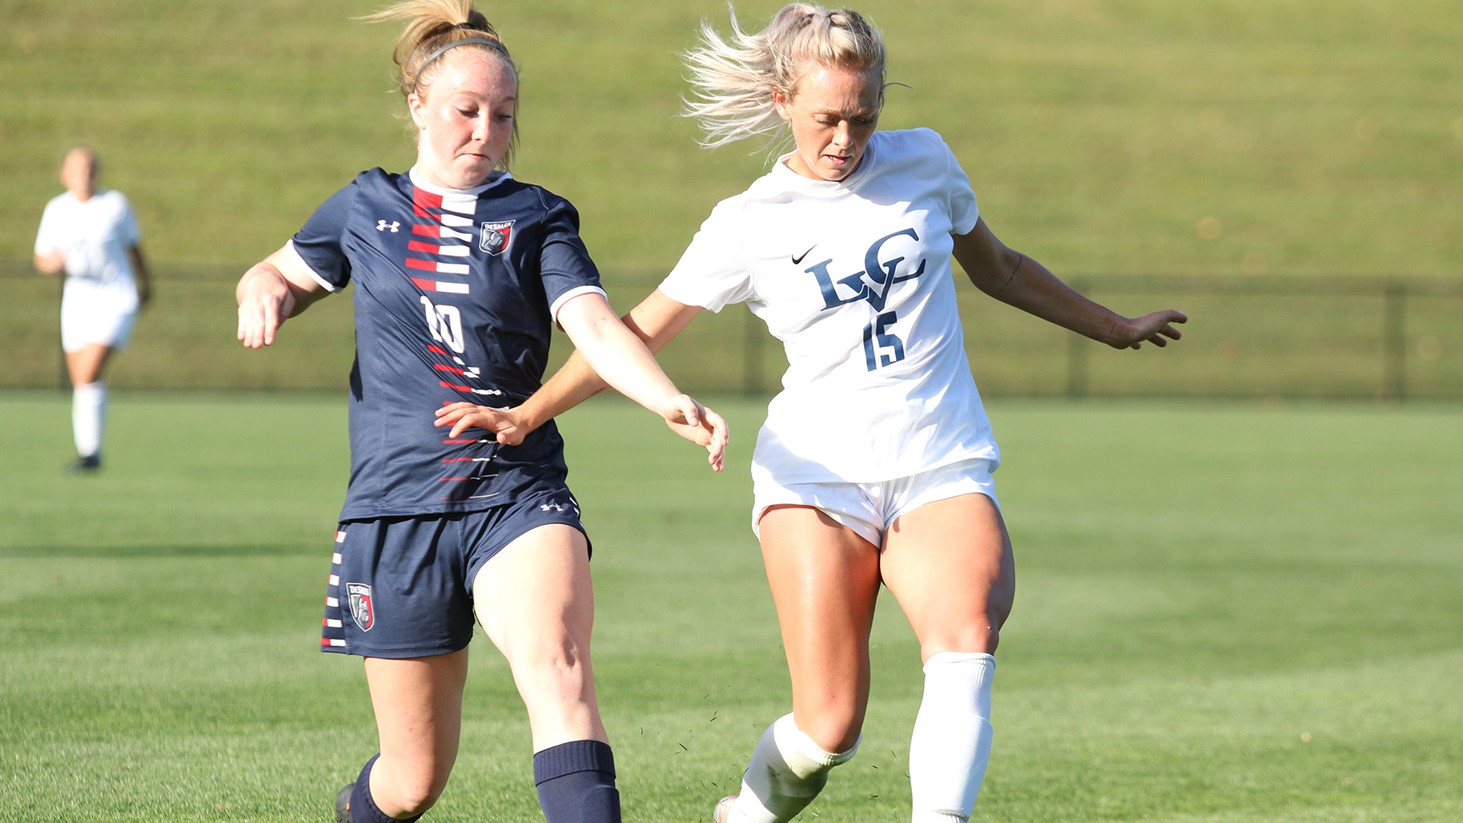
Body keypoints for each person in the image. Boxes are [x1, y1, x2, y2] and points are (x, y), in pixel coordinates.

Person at [452, 4, 1188, 822]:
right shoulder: (749, 223)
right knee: (827, 727)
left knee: (965, 636)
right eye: (825, 119)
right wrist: (529, 412)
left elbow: (1002, 269)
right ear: (780, 102)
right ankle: (747, 813)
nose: (844, 138)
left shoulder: (927, 162)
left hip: (938, 461)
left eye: (862, 117)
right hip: (817, 476)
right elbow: (636, 332)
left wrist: (1112, 327)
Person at [234, 2, 727, 821]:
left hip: (515, 489)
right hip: (393, 507)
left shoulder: (538, 218)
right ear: (419, 105)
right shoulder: (365, 205)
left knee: (559, 671)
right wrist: (265, 293)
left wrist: (663, 396)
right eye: (467, 110)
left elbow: (595, 325)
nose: (484, 130)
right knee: (413, 778)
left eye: (503, 116)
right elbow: (278, 270)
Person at [33, 145, 153, 473]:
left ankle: (90, 454)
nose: (83, 174)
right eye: (76, 169)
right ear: (64, 175)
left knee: (87, 374)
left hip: (116, 298)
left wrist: (146, 284)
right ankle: (90, 452)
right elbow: (41, 256)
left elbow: (134, 248)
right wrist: (50, 263)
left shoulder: (114, 204)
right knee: (83, 382)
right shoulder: (56, 209)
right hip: (78, 302)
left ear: (96, 173)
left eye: (88, 168)